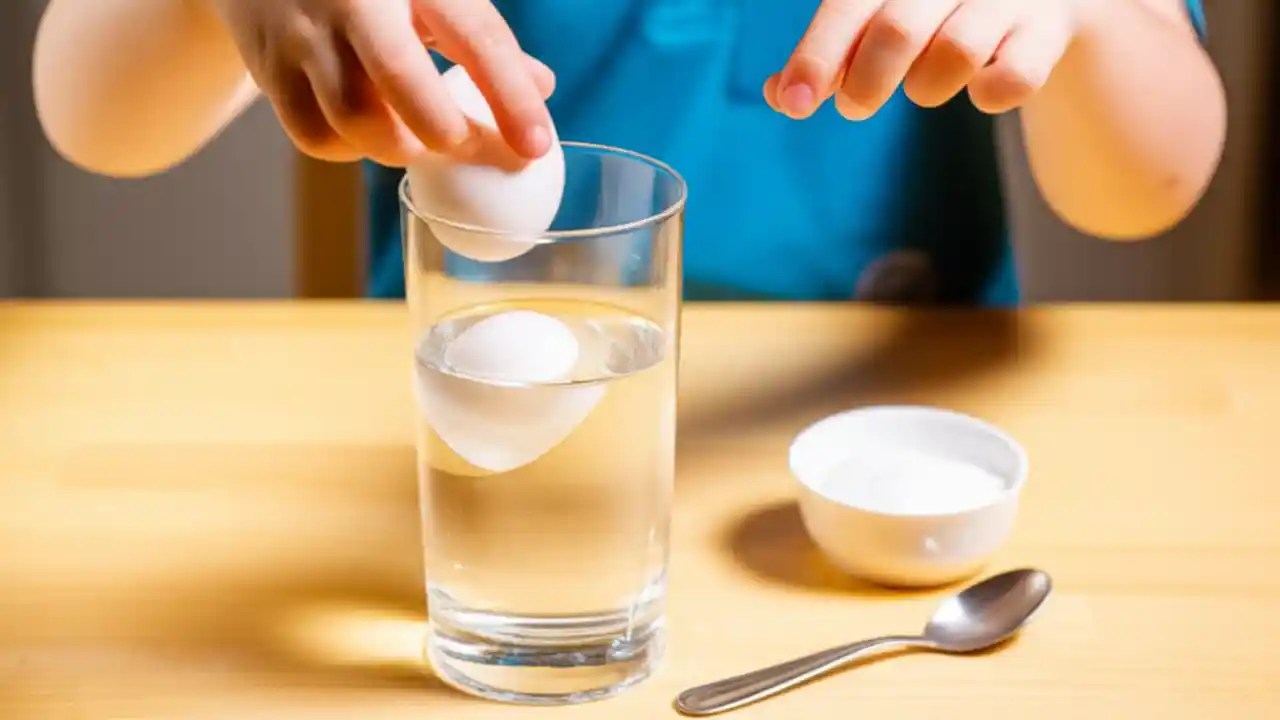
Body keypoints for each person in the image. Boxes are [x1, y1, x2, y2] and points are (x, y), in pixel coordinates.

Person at [33, 0, 1225, 303]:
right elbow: (92, 117)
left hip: (873, 441)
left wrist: (1080, 18)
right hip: (450, 444)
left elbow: (1147, 187)